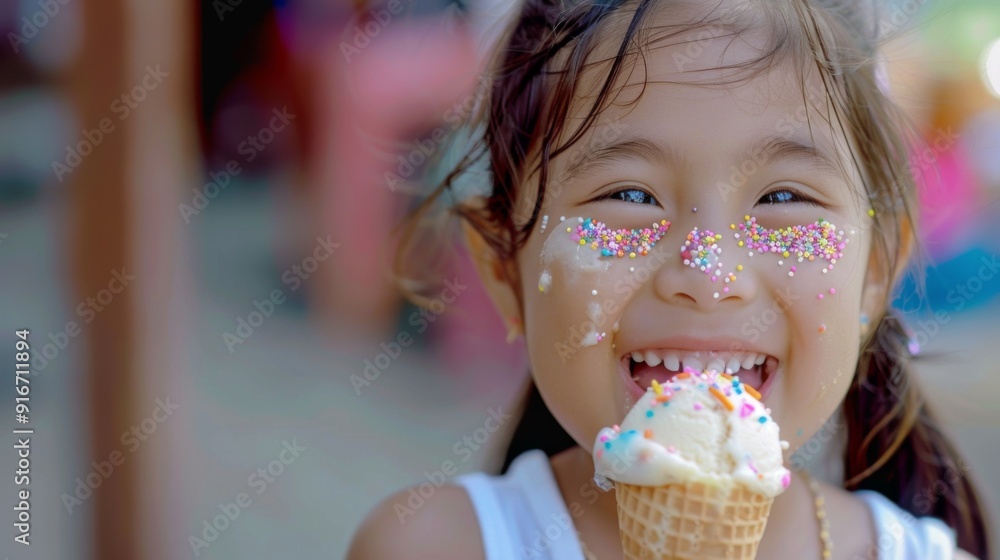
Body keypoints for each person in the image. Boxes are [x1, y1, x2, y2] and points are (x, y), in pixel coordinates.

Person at [347, 0, 992, 558]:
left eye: (783, 197)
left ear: (876, 274)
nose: (710, 277)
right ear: (502, 271)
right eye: (629, 195)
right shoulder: (429, 547)